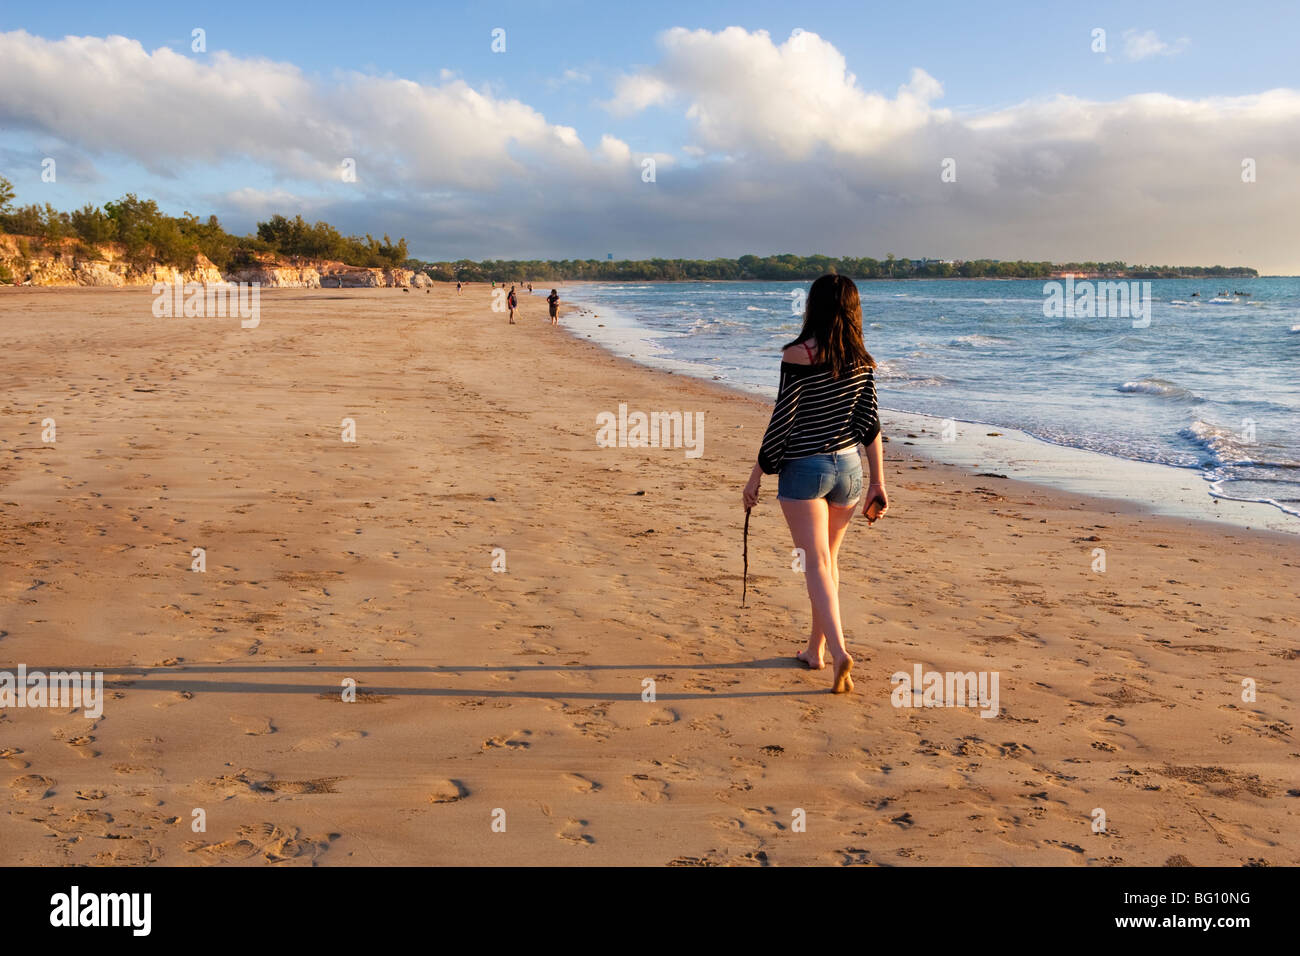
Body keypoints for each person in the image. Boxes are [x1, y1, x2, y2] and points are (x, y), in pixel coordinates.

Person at [742, 274, 887, 694]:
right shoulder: (862, 360)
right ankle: (815, 650)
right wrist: (878, 482)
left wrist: (756, 475)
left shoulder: (798, 354)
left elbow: (782, 420)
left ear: (814, 306)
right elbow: (870, 424)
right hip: (849, 469)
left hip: (806, 470)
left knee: (816, 563)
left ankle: (841, 652)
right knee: (829, 563)